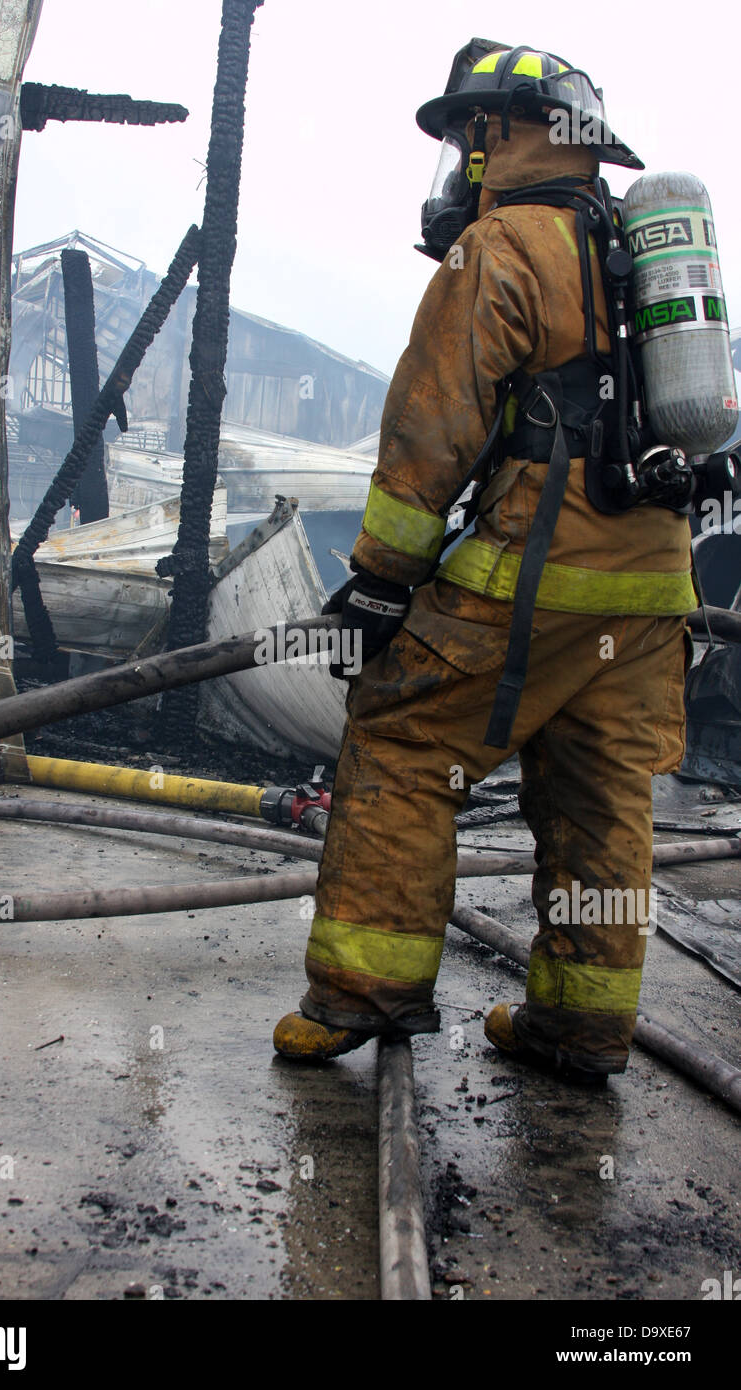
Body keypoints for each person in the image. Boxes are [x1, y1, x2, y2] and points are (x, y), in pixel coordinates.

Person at [273, 40, 695, 1082]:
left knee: (403, 741)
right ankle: (579, 1030)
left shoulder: (503, 245)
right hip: (649, 591)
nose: (462, 152)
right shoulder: (630, 254)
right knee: (600, 801)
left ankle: (359, 995)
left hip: (535, 572)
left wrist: (377, 579)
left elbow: (432, 428)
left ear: (501, 131)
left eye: (471, 131)